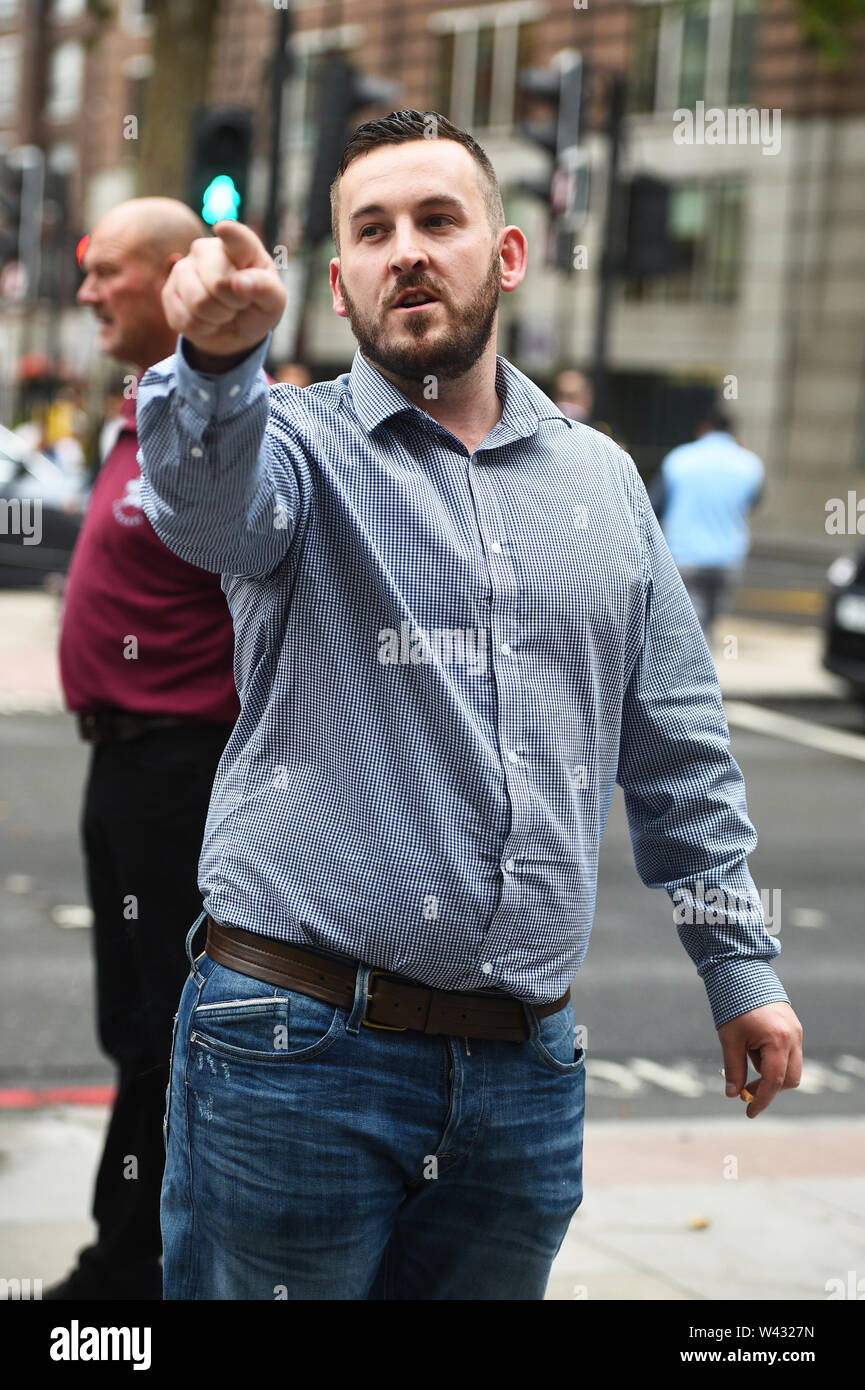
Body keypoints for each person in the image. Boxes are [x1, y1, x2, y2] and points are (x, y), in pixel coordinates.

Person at [136, 110, 802, 1302]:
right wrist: (218, 364)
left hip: (523, 1077)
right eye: (373, 230)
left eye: (437, 220)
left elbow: (677, 753)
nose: (407, 251)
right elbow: (202, 503)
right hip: (293, 1055)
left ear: (506, 255)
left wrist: (738, 968)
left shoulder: (603, 482)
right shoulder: (289, 449)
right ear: (336, 285)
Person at [48, 197, 240, 1300]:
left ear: (177, 276)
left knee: (170, 1035)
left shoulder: (221, 427)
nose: (88, 293)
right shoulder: (137, 412)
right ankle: (128, 1252)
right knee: (135, 1027)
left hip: (182, 766)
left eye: (109, 272)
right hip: (121, 763)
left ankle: (134, 1274)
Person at [655, 408, 764, 638]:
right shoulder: (750, 463)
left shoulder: (679, 459)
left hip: (684, 555)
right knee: (708, 624)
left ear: (703, 429)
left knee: (689, 627)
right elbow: (754, 502)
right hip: (728, 558)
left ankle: (693, 670)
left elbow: (655, 505)